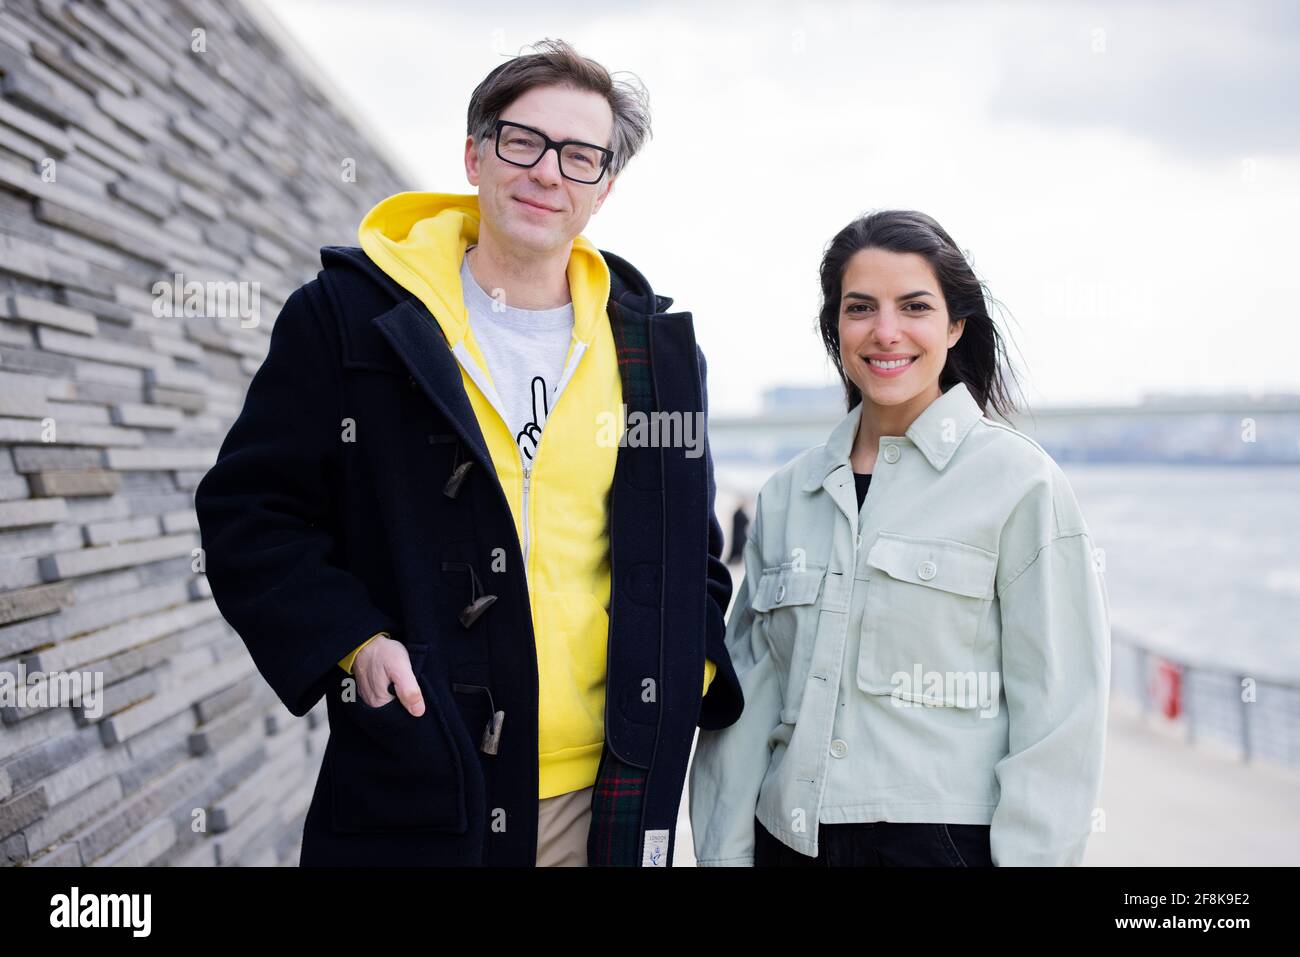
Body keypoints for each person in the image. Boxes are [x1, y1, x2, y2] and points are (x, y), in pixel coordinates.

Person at [195, 39, 741, 867]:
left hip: (609, 789)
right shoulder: (348, 319)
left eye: (580, 156)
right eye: (522, 141)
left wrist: (683, 676)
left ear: (604, 189)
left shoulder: (654, 352)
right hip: (422, 777)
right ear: (474, 153)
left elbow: (692, 554)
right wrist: (355, 640)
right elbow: (250, 514)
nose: (547, 171)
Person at [689, 210, 1110, 866]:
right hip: (787, 843)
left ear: (955, 324)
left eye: (914, 306)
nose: (886, 332)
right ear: (836, 327)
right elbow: (746, 711)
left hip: (943, 848)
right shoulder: (787, 495)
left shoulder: (1021, 483)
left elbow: (1059, 721)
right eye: (861, 308)